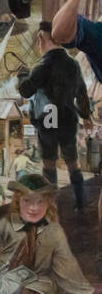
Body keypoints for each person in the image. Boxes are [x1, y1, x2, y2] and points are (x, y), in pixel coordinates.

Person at [19, 18, 92, 211]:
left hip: (47, 123)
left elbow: (25, 90)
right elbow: (82, 94)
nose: (38, 44)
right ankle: (81, 204)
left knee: (49, 166)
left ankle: (52, 206)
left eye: (39, 39)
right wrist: (86, 116)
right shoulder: (73, 65)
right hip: (68, 122)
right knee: (73, 165)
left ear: (43, 38)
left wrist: (22, 75)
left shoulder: (42, 66)